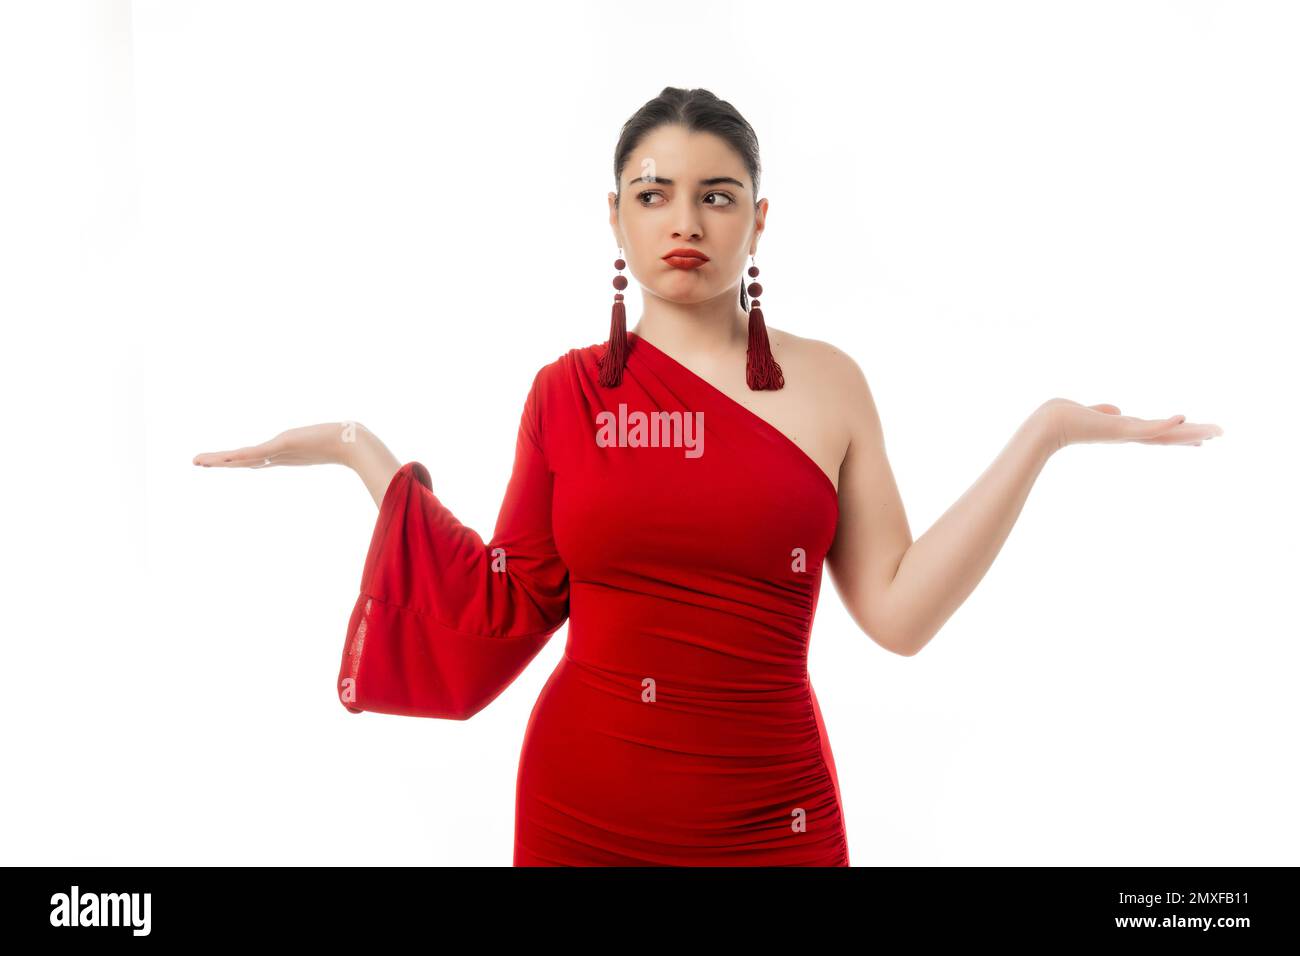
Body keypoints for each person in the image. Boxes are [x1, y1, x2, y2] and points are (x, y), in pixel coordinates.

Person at [193, 87, 1223, 865]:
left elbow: (899, 614)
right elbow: (505, 600)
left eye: (714, 196)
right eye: (655, 194)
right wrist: (359, 449)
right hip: (580, 800)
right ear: (616, 217)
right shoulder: (565, 394)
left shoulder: (829, 385)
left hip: (769, 804)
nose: (683, 221)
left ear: (757, 221)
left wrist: (1042, 433)